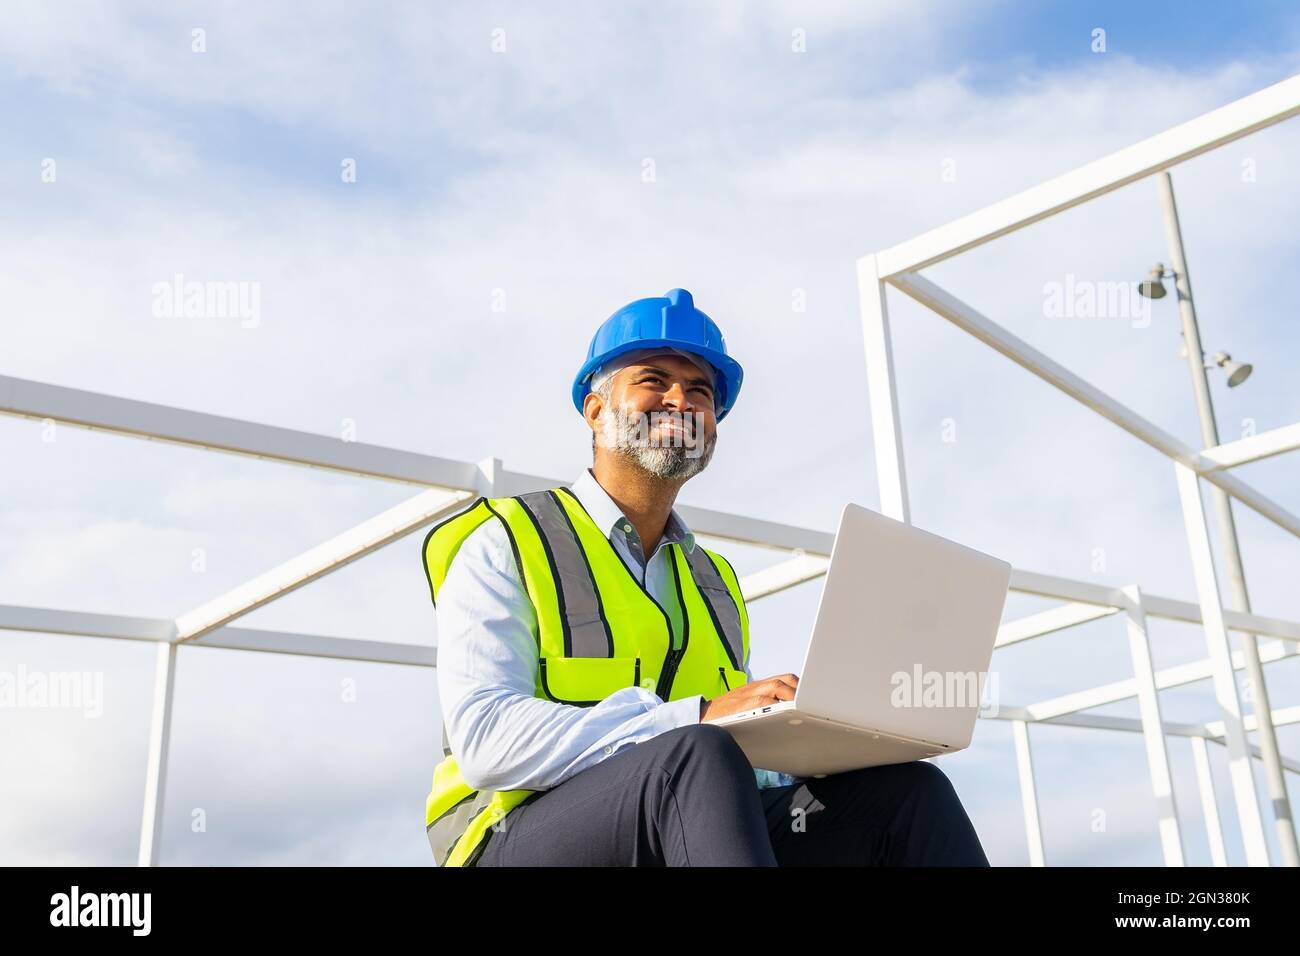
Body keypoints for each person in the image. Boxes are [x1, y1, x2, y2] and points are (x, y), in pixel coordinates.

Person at [421, 287, 989, 866]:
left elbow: (740, 753)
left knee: (908, 795)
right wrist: (697, 717)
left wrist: (829, 739)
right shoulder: (505, 539)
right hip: (509, 839)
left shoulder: (713, 582)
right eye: (653, 380)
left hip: (683, 817)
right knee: (697, 754)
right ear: (595, 410)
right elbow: (487, 741)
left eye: (700, 391)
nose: (680, 400)